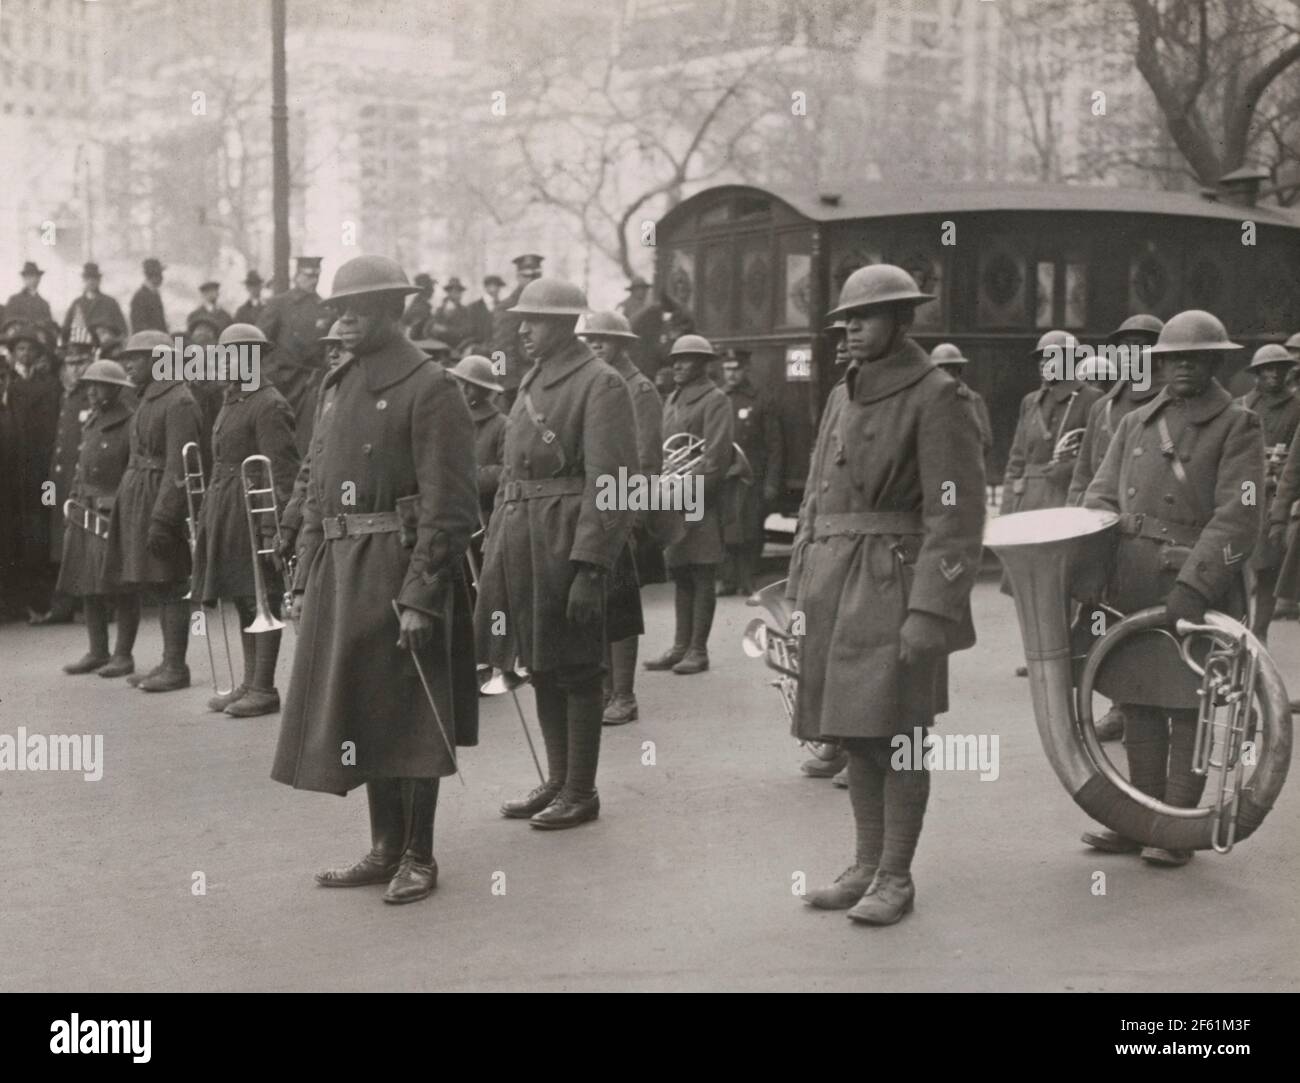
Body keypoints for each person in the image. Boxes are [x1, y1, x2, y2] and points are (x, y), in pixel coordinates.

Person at [273, 256, 480, 906]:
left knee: (410, 713)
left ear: (392, 309)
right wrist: (303, 578)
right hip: (342, 569)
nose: (341, 319)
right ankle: (386, 846)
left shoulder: (431, 386)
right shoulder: (337, 384)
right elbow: (317, 488)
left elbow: (450, 506)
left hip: (399, 567)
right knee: (364, 707)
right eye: (337, 308)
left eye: (355, 309)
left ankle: (419, 854)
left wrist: (422, 595)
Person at [792, 265, 984, 926]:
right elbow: (815, 496)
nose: (849, 327)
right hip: (836, 581)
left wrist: (932, 609)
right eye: (845, 317)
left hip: (896, 583)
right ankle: (864, 864)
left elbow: (956, 516)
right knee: (855, 733)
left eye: (865, 316)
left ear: (902, 320)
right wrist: (803, 581)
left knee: (900, 735)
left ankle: (896, 875)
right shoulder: (841, 393)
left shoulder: (938, 395)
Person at [1080, 310, 1261, 867]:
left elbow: (1239, 517)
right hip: (1131, 580)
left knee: (1187, 705)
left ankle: (1177, 827)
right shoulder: (1136, 422)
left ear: (1215, 363)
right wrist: (1088, 567)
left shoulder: (1239, 424)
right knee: (1137, 700)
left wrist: (1196, 586)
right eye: (1174, 357)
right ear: (1160, 363)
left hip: (1193, 582)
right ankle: (1140, 818)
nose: (1183, 366)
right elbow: (1100, 495)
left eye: (1195, 358)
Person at [476, 277, 637, 828]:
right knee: (540, 663)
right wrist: (497, 542)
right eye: (521, 319)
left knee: (578, 668)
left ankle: (581, 790)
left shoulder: (601, 383)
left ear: (567, 324)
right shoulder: (533, 379)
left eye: (536, 320)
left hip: (566, 542)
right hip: (523, 538)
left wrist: (591, 567)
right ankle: (558, 779)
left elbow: (613, 483)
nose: (523, 329)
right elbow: (511, 473)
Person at [190, 323, 299, 718]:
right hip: (227, 506)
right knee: (241, 594)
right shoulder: (233, 398)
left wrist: (274, 527)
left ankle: (264, 688)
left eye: (236, 355)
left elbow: (281, 471)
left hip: (253, 508)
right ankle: (250, 682)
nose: (227, 362)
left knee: (260, 595)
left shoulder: (269, 404)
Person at [1064, 313, 1165, 741]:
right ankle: (1120, 705)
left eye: (1143, 344)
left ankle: (1157, 709)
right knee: (1105, 622)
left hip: (1153, 538)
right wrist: (1076, 521)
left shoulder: (1171, 401)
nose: (1133, 353)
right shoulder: (1102, 407)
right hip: (1106, 535)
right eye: (1126, 346)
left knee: (1153, 626)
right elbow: (1084, 473)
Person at [104, 330, 204, 692]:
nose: (127, 365)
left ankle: (176, 666)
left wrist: (164, 517)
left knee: (171, 581)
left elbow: (180, 466)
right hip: (141, 497)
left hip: (161, 500)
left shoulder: (179, 401)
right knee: (159, 583)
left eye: (135, 358)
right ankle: (167, 661)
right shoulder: (149, 397)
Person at [579, 310, 664, 725]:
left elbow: (646, 459)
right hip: (596, 502)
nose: (595, 345)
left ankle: (624, 696)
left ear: (623, 343)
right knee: (599, 600)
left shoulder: (639, 389)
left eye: (604, 339)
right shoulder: (598, 382)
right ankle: (606, 689)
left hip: (623, 504)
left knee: (621, 602)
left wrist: (633, 515)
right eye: (590, 339)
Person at [1001, 329, 1102, 675]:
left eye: (1053, 358)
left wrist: (1068, 470)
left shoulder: (1091, 400)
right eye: (1041, 359)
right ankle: (1038, 652)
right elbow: (1016, 456)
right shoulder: (1030, 402)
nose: (1045, 364)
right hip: (1029, 499)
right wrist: (1007, 509)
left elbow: (1097, 455)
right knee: (1029, 581)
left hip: (1065, 498)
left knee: (1064, 582)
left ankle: (1064, 655)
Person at [644, 334, 735, 675]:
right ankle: (681, 646)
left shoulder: (716, 400)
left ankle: (698, 650)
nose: (678, 366)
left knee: (702, 572)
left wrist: (682, 492)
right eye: (675, 360)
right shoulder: (672, 398)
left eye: (686, 359)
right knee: (681, 572)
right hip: (674, 498)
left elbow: (716, 458)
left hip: (700, 500)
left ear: (703, 364)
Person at [57, 359, 141, 678]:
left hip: (113, 513)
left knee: (121, 586)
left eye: (99, 385)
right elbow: (81, 468)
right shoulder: (92, 420)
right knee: (88, 582)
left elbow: (133, 473)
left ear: (116, 389)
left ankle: (123, 655)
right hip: (85, 510)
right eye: (89, 385)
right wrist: (74, 500)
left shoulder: (130, 422)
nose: (91, 391)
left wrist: (121, 507)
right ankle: (97, 651)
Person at [1235, 343, 1300, 643]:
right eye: (1267, 369)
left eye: (1280, 369)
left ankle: (1259, 630)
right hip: (1246, 487)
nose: (1274, 374)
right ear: (1256, 373)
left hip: (1279, 491)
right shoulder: (1243, 405)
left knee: (1267, 562)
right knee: (1237, 553)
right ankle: (1237, 625)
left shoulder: (1297, 407)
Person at [39, 327, 100, 627]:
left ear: (91, 361)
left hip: (84, 481)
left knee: (87, 542)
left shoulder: (95, 395)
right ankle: (63, 605)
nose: (75, 369)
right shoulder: (66, 395)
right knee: (60, 541)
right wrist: (48, 492)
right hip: (59, 482)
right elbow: (57, 446)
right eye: (70, 363)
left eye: (80, 362)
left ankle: (95, 605)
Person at [719, 348, 783, 597]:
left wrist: (772, 483)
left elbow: (775, 446)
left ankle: (748, 579)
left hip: (751, 478)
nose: (731, 374)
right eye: (727, 369)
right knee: (726, 527)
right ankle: (728, 579)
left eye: (736, 369)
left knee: (751, 529)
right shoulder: (718, 399)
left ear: (746, 370)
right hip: (725, 476)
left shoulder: (760, 399)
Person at [258, 256, 332, 455]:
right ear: (297, 276)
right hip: (281, 381)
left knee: (306, 437)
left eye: (317, 275)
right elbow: (259, 341)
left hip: (310, 384)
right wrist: (268, 372)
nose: (314, 280)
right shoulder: (279, 304)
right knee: (274, 436)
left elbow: (330, 348)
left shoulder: (325, 308)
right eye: (309, 275)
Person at [446, 354, 506, 529]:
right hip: (448, 515)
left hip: (485, 517)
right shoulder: (446, 420)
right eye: (459, 382)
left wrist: (469, 476)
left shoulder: (501, 425)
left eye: (470, 385)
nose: (463, 390)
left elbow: (508, 471)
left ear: (485, 390)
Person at [929, 343, 993, 484]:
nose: (944, 372)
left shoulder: (972, 400)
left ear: (958, 370)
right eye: (939, 368)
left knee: (952, 497)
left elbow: (985, 441)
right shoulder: (926, 400)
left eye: (949, 368)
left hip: (962, 473)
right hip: (932, 474)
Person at [490, 253, 545, 408]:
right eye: (527, 276)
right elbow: (499, 350)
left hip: (544, 376)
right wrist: (504, 383)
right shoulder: (507, 307)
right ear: (518, 277)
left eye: (537, 275)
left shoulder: (546, 304)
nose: (532, 280)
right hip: (518, 382)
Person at [61, 263, 126, 344]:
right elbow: (65, 330)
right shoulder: (77, 304)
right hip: (82, 347)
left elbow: (122, 330)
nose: (91, 282)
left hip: (106, 347)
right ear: (83, 280)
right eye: (88, 279)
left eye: (94, 278)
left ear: (99, 281)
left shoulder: (110, 302)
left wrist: (111, 337)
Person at [6, 261, 54, 327]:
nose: (31, 279)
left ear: (39, 279)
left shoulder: (44, 304)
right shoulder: (14, 300)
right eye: (27, 277)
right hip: (19, 333)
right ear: (23, 279)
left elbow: (49, 327)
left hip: (39, 333)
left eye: (33, 276)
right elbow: (7, 325)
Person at [129, 258, 168, 333]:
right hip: (147, 338)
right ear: (152, 276)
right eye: (159, 274)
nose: (162, 278)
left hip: (158, 337)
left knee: (179, 338)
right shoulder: (140, 297)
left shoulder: (155, 295)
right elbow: (138, 326)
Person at [466, 273, 505, 347]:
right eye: (494, 286)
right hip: (479, 346)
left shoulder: (502, 306)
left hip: (497, 346)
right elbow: (470, 330)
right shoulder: (474, 307)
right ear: (486, 287)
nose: (497, 289)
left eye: (498, 286)